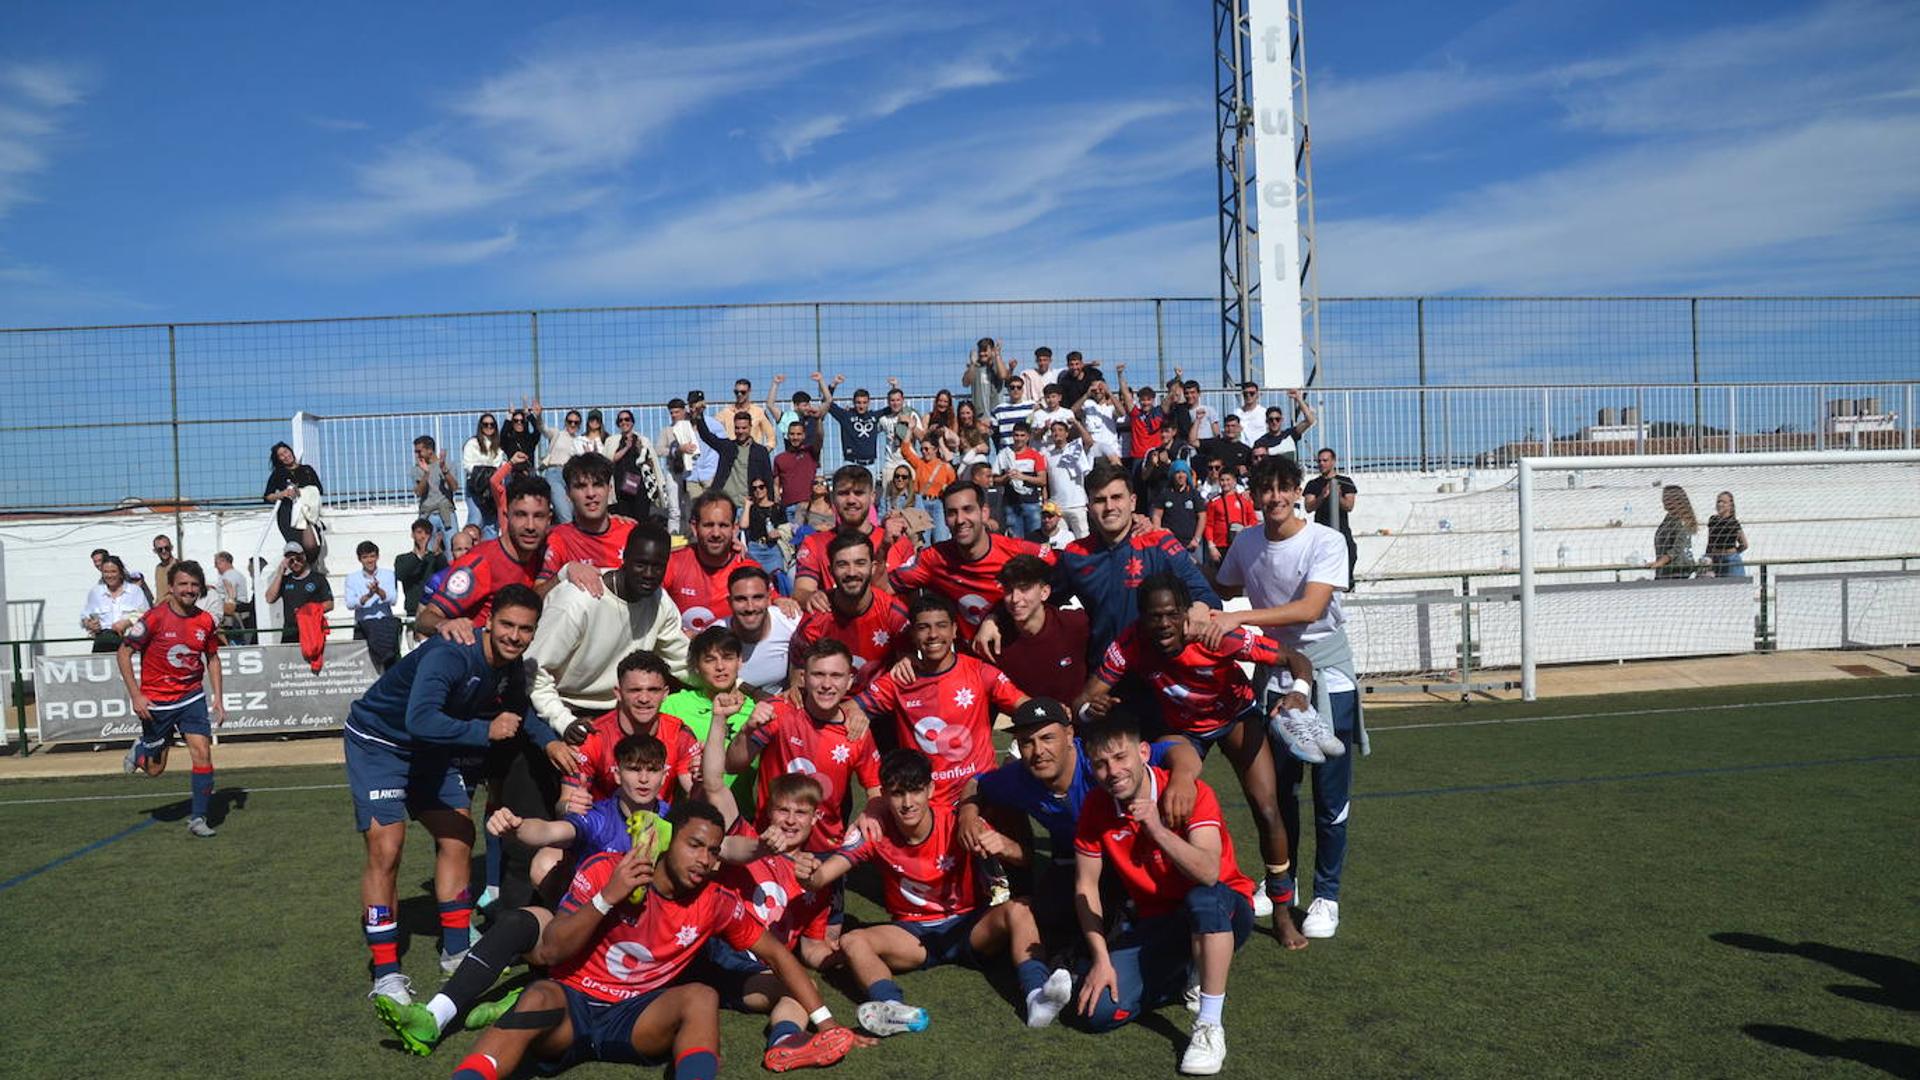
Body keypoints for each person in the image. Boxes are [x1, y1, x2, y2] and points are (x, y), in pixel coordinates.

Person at [445, 801, 849, 1080]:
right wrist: (608, 898)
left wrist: (826, 1024)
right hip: (574, 1008)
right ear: (669, 841)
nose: (705, 860)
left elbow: (777, 954)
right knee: (538, 994)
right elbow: (551, 950)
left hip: (637, 1018)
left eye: (712, 851)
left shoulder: (715, 901)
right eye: (694, 846)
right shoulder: (607, 869)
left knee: (701, 996)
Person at [374, 730, 672, 1057]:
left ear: (664, 773)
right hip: (584, 937)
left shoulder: (676, 821)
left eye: (652, 769)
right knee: (517, 921)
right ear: (616, 773)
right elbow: (552, 830)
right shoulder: (598, 816)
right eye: (633, 769)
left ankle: (525, 992)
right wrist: (517, 826)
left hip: (637, 948)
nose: (643, 778)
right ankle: (433, 1016)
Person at [343, 584, 563, 1005]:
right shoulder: (451, 652)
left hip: (430, 750)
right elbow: (420, 718)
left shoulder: (511, 665)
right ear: (489, 620)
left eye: (524, 629)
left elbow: (519, 711)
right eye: (506, 625)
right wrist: (484, 730)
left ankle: (456, 949)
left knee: (459, 836)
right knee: (386, 847)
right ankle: (387, 973)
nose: (514, 636)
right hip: (380, 743)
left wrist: (551, 743)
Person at [1079, 572, 1324, 950]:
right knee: (1173, 804)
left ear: (1184, 614)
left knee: (1267, 809)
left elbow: (1294, 657)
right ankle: (1160, 899)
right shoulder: (1131, 642)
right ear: (1141, 618)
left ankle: (1281, 909)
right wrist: (1088, 709)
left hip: (1235, 718)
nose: (1163, 624)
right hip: (1181, 731)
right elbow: (1086, 697)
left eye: (1171, 614)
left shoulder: (1214, 634)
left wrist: (1300, 692)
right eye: (1153, 616)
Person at [804, 749, 1073, 1036]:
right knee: (853, 940)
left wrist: (1004, 845)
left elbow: (1026, 858)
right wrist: (806, 870)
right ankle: (893, 1009)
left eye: (915, 791)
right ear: (882, 794)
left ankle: (1037, 998)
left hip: (970, 925)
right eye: (897, 794)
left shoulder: (956, 819)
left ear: (930, 789)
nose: (908, 803)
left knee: (1021, 908)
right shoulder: (874, 830)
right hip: (912, 935)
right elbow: (823, 875)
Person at [1208, 454, 1366, 940]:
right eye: (1264, 489)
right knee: (1279, 795)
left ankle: (1327, 895)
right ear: (1254, 494)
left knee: (1329, 795)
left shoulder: (1326, 539)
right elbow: (1224, 582)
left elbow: (1310, 607)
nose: (1273, 497)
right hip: (1274, 676)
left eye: (1282, 487)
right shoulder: (1247, 541)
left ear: (1298, 490)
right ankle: (1284, 883)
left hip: (1327, 676)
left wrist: (1239, 619)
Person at [1070, 719, 1257, 1075]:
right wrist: (1101, 959)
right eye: (1100, 764)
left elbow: (1208, 873)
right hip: (1159, 922)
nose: (1113, 771)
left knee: (1202, 900)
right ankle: (1187, 970)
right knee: (1095, 1013)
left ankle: (1209, 1025)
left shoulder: (1191, 792)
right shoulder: (1096, 807)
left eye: (1121, 757)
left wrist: (1155, 828)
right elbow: (1085, 887)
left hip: (1224, 909)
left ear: (1143, 753)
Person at [699, 722, 874, 1073]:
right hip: (721, 956)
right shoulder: (746, 835)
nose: (791, 820)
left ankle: (786, 1042)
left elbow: (810, 949)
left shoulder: (816, 877)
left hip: (764, 968)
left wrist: (844, 958)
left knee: (797, 986)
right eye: (783, 810)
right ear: (768, 810)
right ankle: (801, 1034)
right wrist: (719, 720)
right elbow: (714, 783)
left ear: (816, 817)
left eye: (801, 813)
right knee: (795, 983)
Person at [963, 699, 1200, 944]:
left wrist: (1182, 778)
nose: (1038, 751)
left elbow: (1180, 749)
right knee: (1049, 912)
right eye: (1027, 742)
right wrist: (967, 815)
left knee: (1160, 911)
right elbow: (977, 783)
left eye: (1047, 738)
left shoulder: (1097, 760)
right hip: (1080, 858)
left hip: (1134, 853)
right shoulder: (1020, 776)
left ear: (1068, 735)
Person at [524, 521, 691, 743]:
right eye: (641, 564)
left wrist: (735, 685)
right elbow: (533, 671)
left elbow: (683, 661)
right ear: (625, 558)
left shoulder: (660, 602)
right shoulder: (579, 600)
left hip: (620, 713)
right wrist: (563, 721)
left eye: (657, 566)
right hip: (559, 709)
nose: (649, 574)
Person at [857, 591, 1027, 803]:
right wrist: (859, 716)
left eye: (941, 625)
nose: (933, 634)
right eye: (923, 627)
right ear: (912, 635)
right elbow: (849, 710)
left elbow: (1025, 708)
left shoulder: (980, 672)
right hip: (928, 804)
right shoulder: (899, 680)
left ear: (955, 630)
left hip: (980, 796)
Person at [726, 638, 880, 851]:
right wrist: (746, 731)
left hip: (825, 851)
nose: (827, 684)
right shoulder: (780, 711)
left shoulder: (857, 730)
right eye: (818, 674)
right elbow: (733, 765)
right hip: (770, 843)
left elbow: (875, 790)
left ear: (850, 680)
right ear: (803, 677)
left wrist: (868, 815)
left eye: (836, 676)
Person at [116, 561, 225, 836]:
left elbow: (212, 658)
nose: (189, 590)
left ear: (200, 588)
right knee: (155, 770)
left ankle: (198, 818)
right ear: (172, 588)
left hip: (191, 698)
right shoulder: (154, 618)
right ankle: (143, 749)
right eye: (183, 584)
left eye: (194, 585)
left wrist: (218, 699)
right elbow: (123, 653)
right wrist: (136, 695)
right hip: (157, 702)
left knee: (202, 752)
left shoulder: (206, 621)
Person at [888, 480, 1055, 642]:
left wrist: (995, 615)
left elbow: (1064, 570)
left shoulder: (1017, 551)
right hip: (971, 662)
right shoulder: (933, 558)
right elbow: (884, 588)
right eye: (952, 513)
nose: (960, 520)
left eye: (968, 509)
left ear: (984, 513)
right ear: (945, 519)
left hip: (1021, 654)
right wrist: (883, 547)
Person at [791, 530, 910, 695]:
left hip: (880, 707)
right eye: (842, 565)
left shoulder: (894, 614)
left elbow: (909, 674)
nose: (852, 572)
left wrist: (861, 705)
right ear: (830, 570)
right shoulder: (815, 620)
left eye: (860, 563)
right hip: (827, 708)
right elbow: (798, 687)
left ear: (873, 567)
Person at [790, 464, 913, 610]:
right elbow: (801, 592)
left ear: (872, 497)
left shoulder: (899, 542)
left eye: (859, 493)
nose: (851, 500)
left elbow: (912, 600)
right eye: (843, 493)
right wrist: (811, 597)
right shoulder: (814, 543)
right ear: (833, 498)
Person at [977, 554, 1088, 703]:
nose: (1015, 599)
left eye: (1024, 589)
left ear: (1044, 592)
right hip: (1025, 721)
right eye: (1009, 590)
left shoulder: (1074, 624)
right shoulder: (995, 641)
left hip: (1079, 719)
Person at [536, 452, 637, 591]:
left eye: (598, 484)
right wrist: (564, 573)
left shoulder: (631, 532)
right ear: (568, 493)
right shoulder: (559, 538)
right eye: (581, 486)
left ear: (610, 489)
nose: (590, 493)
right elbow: (536, 598)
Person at [664, 491, 758, 634]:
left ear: (734, 529)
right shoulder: (673, 563)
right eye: (708, 525)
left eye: (723, 525)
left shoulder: (748, 568)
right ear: (695, 528)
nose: (716, 533)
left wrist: (783, 602)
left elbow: (775, 604)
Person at [722, 565, 800, 694]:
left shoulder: (791, 622)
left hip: (781, 708)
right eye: (741, 599)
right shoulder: (716, 636)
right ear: (729, 602)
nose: (750, 607)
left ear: (769, 599)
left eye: (757, 597)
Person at [699, 406, 775, 511]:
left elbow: (767, 478)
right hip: (726, 503)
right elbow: (707, 436)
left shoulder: (760, 451)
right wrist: (699, 416)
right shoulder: (727, 447)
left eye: (744, 428)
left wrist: (770, 504)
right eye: (737, 428)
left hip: (749, 505)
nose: (740, 431)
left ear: (750, 427)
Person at [1303, 447, 1359, 586]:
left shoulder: (1345, 482)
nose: (1321, 464)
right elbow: (1309, 507)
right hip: (1321, 529)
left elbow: (1349, 506)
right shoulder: (1313, 484)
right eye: (1319, 461)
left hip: (1341, 528)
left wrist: (1337, 495)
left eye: (1325, 460)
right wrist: (1322, 495)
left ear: (1333, 461)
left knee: (1350, 553)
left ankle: (1348, 584)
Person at [345, 540, 402, 672]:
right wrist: (368, 595)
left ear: (377, 557)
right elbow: (350, 603)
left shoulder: (388, 574)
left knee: (390, 666)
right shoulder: (352, 578)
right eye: (365, 557)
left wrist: (378, 591)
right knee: (362, 667)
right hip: (363, 625)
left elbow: (393, 599)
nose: (369, 560)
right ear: (359, 559)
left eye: (372, 556)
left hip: (385, 624)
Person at [264, 541, 331, 645]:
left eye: (298, 559)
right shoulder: (285, 580)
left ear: (304, 557)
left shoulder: (318, 579)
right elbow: (269, 598)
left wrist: (308, 611)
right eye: (291, 561)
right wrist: (280, 573)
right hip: (289, 632)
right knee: (288, 661)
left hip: (311, 629)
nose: (295, 563)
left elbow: (329, 604)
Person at [81, 554, 149, 653]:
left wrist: (127, 622)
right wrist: (89, 624)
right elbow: (85, 616)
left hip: (129, 641)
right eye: (106, 572)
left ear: (121, 573)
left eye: (113, 571)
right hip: (103, 643)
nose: (109, 575)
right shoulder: (96, 592)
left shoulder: (135, 591)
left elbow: (146, 613)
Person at [1041, 417, 1096, 538]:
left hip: (1077, 504)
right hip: (1057, 507)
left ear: (1067, 434)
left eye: (1060, 430)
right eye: (1054, 430)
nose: (1057, 433)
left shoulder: (1075, 448)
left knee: (1083, 539)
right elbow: (1044, 481)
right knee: (1060, 542)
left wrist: (1076, 423)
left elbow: (1090, 442)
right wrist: (1045, 500)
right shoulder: (1047, 454)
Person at [992, 421, 1048, 540]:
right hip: (1011, 504)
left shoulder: (1035, 455)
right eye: (1016, 435)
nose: (1019, 439)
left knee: (1034, 539)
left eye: (1022, 435)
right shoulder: (1004, 454)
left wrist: (1023, 477)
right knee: (1015, 540)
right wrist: (1006, 477)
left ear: (1028, 437)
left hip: (1031, 503)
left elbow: (1042, 480)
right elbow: (994, 480)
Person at [609, 409, 665, 523]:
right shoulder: (613, 441)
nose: (624, 422)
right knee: (624, 520)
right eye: (621, 420)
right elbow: (610, 460)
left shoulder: (643, 440)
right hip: (620, 486)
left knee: (641, 518)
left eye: (627, 419)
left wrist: (640, 450)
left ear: (632, 422)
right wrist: (626, 448)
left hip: (639, 485)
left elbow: (651, 463)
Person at [536, 404, 586, 524]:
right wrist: (538, 416)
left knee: (572, 511)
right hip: (554, 474)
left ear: (579, 425)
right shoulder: (557, 433)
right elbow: (543, 429)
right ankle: (570, 540)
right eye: (570, 421)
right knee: (565, 514)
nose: (573, 424)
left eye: (576, 422)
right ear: (565, 422)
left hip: (572, 477)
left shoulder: (580, 440)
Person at [1203, 467, 1259, 569]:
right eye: (1222, 480)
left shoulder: (1245, 500)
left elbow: (1253, 520)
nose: (1225, 483)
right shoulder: (1214, 502)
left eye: (1228, 480)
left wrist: (1246, 529)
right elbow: (1209, 525)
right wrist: (1211, 546)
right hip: (1221, 546)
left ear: (1234, 481)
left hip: (1242, 544)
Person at [742, 477, 790, 593]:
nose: (758, 490)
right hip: (755, 548)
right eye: (754, 488)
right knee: (757, 580)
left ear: (767, 489)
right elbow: (743, 525)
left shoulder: (778, 508)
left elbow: (786, 528)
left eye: (761, 487)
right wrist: (747, 506)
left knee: (778, 579)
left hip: (772, 548)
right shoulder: (751, 509)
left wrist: (778, 533)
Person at [461, 413, 505, 537]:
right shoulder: (472, 443)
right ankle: (469, 550)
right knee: (475, 520)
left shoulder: (499, 446)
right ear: (480, 426)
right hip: (475, 486)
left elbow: (499, 465)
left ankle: (490, 554)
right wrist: (485, 471)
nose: (489, 427)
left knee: (491, 524)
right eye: (485, 424)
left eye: (492, 425)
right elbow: (467, 465)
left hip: (492, 489)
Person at [1116, 365, 1166, 468]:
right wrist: (1120, 375)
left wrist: (1178, 377)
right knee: (1138, 483)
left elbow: (1171, 397)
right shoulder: (1135, 414)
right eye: (1143, 400)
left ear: (1153, 400)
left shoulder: (1159, 412)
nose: (1145, 402)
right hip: (1138, 457)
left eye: (1148, 399)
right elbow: (1125, 394)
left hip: (1155, 455)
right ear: (1139, 400)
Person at [1153, 461, 1205, 559]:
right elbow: (1156, 515)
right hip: (1169, 544)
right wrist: (1159, 535)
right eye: (1177, 472)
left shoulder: (1194, 494)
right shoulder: (1165, 493)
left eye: (1183, 472)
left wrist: (1196, 539)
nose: (1181, 475)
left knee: (1195, 572)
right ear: (1172, 475)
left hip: (1191, 545)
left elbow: (1202, 517)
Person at [772, 420, 823, 520]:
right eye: (792, 434)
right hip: (788, 506)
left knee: (809, 535)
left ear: (804, 435)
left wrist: (818, 420)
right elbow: (776, 484)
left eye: (799, 434)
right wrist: (776, 496)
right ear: (787, 435)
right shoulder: (779, 458)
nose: (795, 437)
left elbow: (820, 437)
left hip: (808, 505)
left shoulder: (811, 452)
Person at [1650, 484, 1700, 579]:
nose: (1663, 500)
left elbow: (1677, 548)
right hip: (1666, 570)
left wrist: (1661, 562)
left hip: (1678, 571)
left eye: (1667, 497)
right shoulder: (1669, 518)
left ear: (1677, 500)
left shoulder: (1682, 520)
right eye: (1663, 497)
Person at [716, 376, 778, 451]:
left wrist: (762, 454)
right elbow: (713, 434)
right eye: (736, 392)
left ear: (749, 391)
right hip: (732, 455)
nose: (739, 394)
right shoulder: (725, 413)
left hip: (753, 455)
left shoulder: (759, 412)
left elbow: (772, 438)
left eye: (743, 392)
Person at [1251, 390, 1315, 461]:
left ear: (1282, 420)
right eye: (1271, 420)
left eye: (1277, 419)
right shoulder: (1261, 442)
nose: (1274, 422)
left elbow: (1310, 420)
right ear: (1267, 421)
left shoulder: (1290, 434)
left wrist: (1299, 399)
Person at [213, 550, 255, 643]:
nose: (215, 567)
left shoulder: (228, 576)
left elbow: (231, 594)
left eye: (217, 563)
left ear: (224, 561)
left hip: (233, 614)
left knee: (233, 639)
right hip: (239, 612)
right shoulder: (238, 574)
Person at [1705, 491, 1748, 577]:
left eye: (1724, 502)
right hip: (1716, 559)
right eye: (1718, 501)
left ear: (1730, 505)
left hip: (1730, 559)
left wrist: (1734, 552)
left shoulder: (1733, 522)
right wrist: (1708, 556)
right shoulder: (1713, 520)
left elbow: (1744, 544)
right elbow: (1710, 541)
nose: (1720, 504)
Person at [990, 374, 1035, 448]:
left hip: (1026, 452)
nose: (1015, 390)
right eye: (1012, 387)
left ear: (1023, 390)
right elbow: (993, 433)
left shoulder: (1031, 407)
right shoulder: (998, 410)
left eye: (1019, 387)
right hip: (1006, 452)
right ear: (1008, 389)